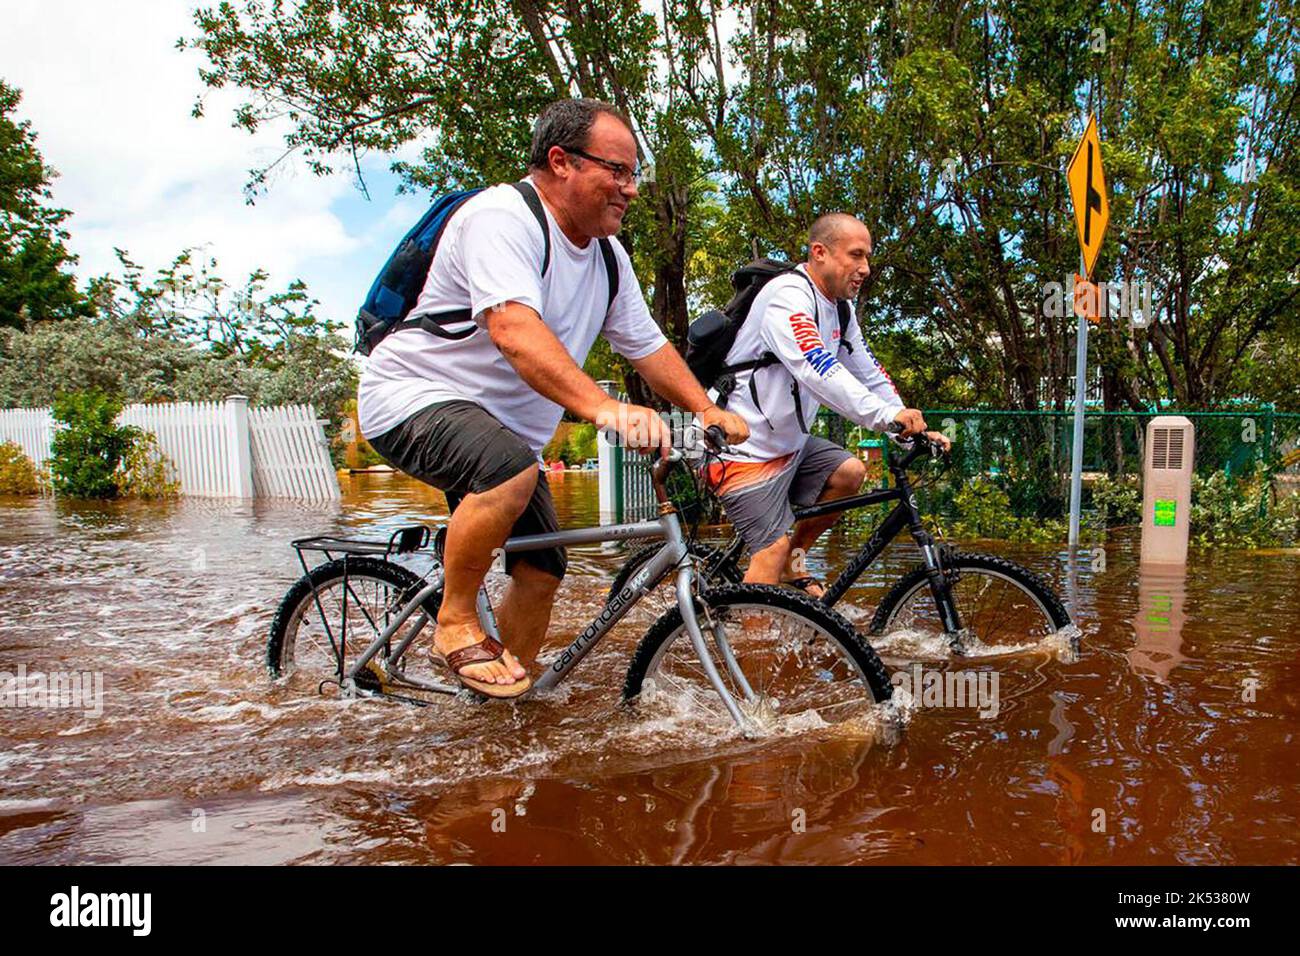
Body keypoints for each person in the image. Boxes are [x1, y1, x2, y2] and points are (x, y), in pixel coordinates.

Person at [358, 98, 748, 698]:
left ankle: (501, 701)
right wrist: (605, 408)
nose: (631, 189)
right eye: (616, 170)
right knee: (508, 471)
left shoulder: (609, 258)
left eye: (633, 173)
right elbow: (513, 329)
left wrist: (705, 407)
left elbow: (645, 344)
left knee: (543, 568)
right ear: (560, 161)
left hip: (502, 437)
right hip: (414, 396)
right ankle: (456, 620)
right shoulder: (501, 217)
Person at [702, 213, 950, 597]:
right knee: (770, 549)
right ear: (819, 252)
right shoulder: (787, 297)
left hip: (790, 445)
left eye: (868, 257)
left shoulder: (839, 309)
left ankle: (792, 566)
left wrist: (907, 429)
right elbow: (816, 367)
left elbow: (868, 372)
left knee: (850, 473)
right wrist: (885, 418)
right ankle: (752, 655)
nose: (865, 268)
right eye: (856, 255)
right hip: (740, 451)